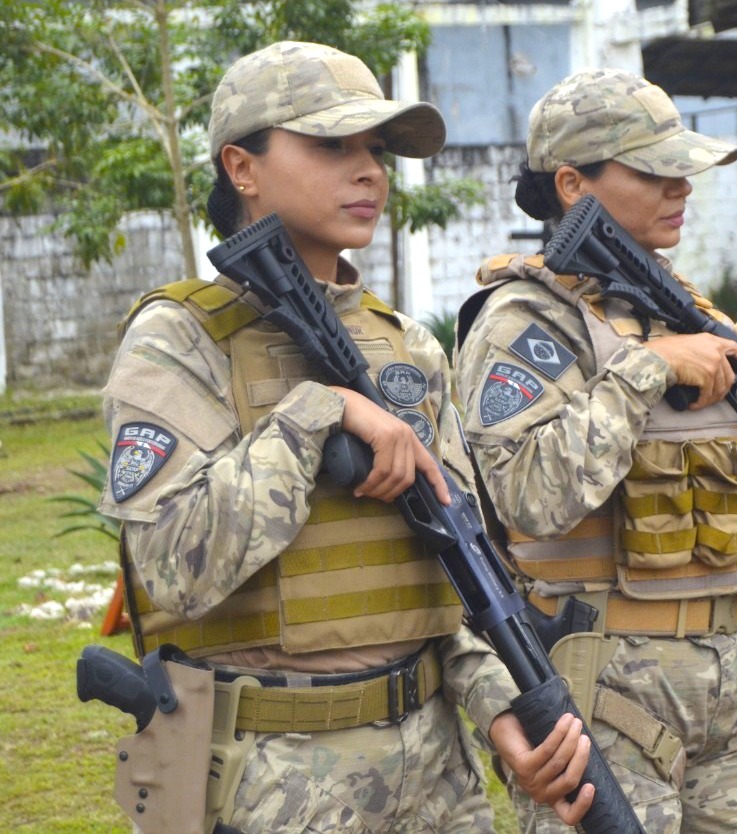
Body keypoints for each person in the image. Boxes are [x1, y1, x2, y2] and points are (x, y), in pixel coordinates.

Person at [98, 41, 592, 834]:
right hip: (270, 783)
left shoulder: (407, 349)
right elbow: (172, 569)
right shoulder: (179, 340)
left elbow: (459, 576)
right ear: (241, 167)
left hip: (435, 783)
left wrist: (501, 712)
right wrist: (314, 415)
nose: (369, 172)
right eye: (333, 146)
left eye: (377, 150)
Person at [453, 67, 737, 834]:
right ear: (572, 184)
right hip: (604, 704)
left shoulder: (680, 309)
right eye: (652, 171)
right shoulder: (526, 326)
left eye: (682, 169)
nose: (681, 188)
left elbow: (721, 479)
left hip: (735, 696)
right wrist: (647, 370)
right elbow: (525, 497)